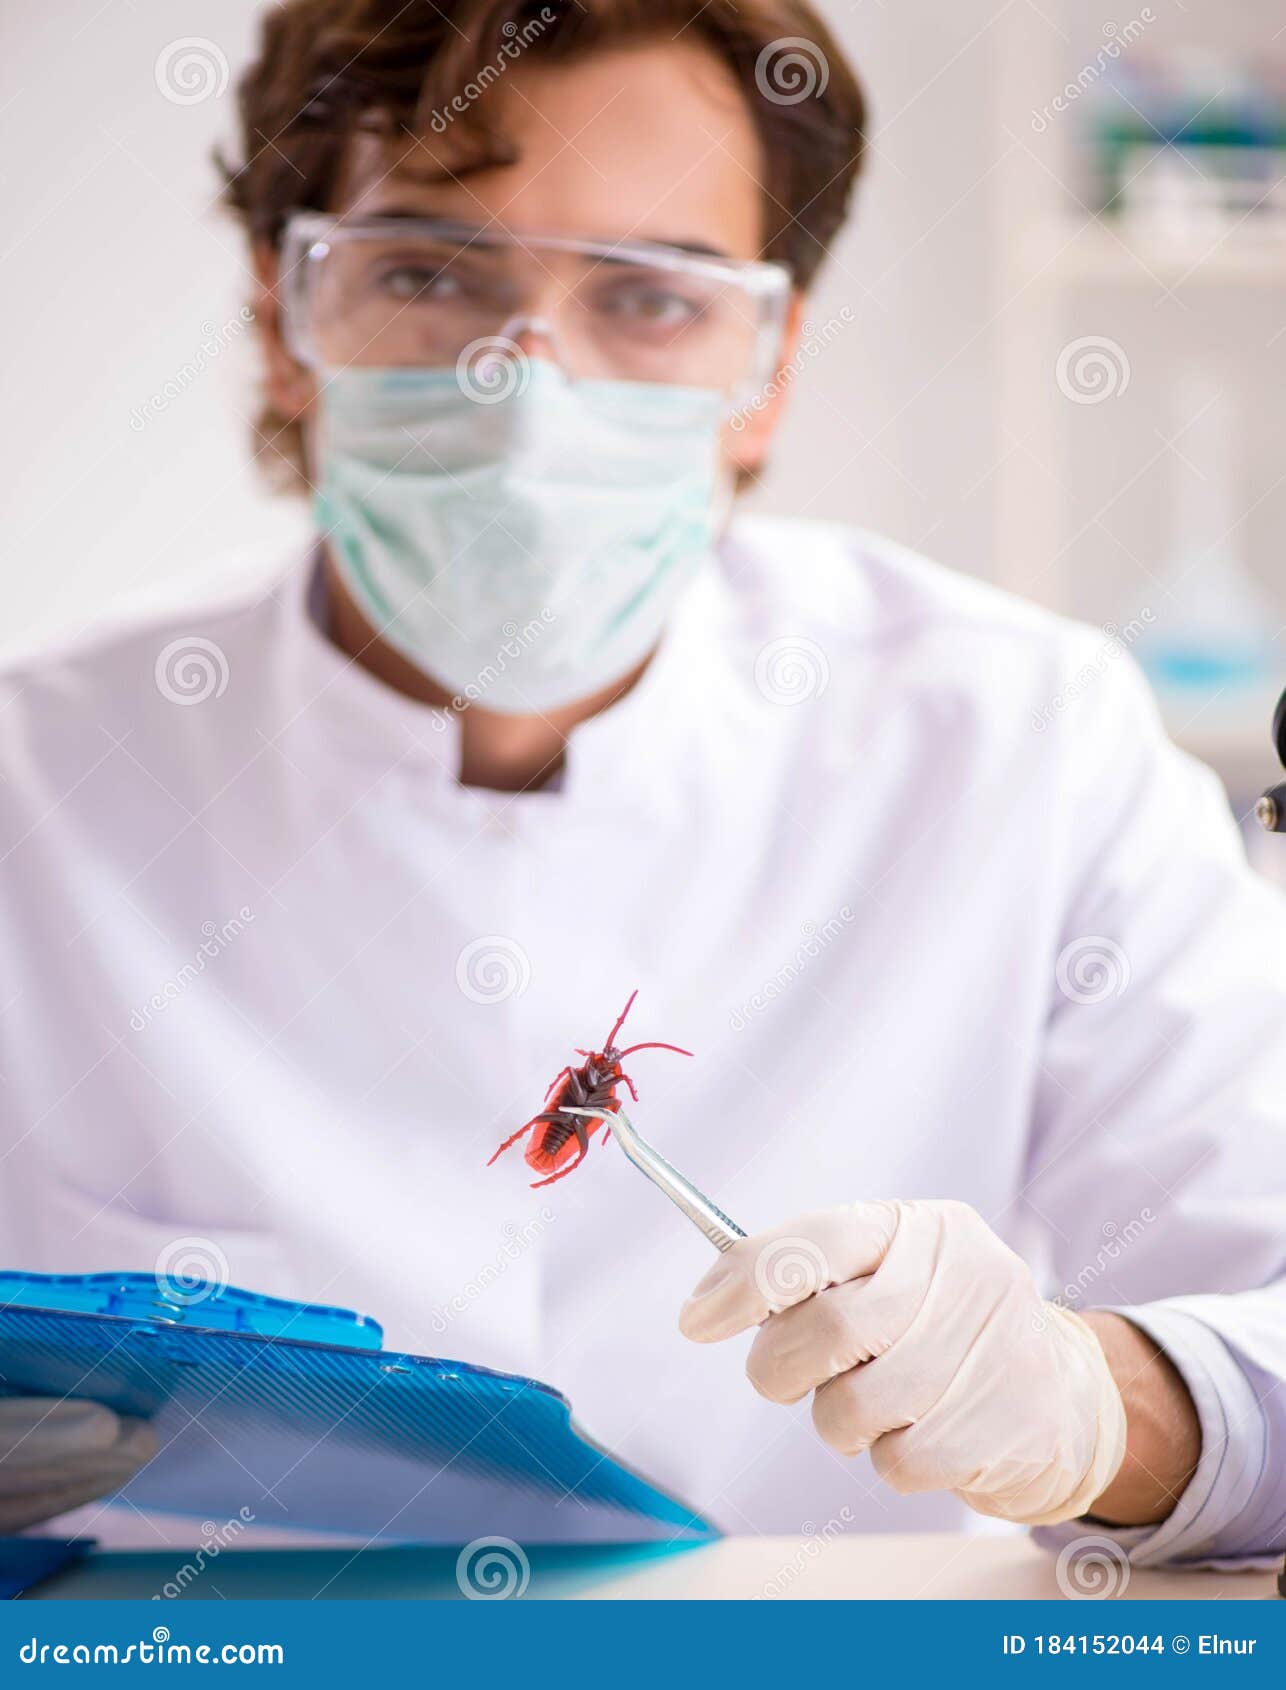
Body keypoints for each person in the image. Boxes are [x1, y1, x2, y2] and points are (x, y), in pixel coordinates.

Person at [1, 0, 1283, 1566]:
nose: (523, 384)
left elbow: (1267, 1338)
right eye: (424, 268)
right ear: (284, 315)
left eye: (651, 296)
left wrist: (1093, 1403)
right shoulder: (35, 784)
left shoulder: (1027, 740)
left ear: (768, 362)